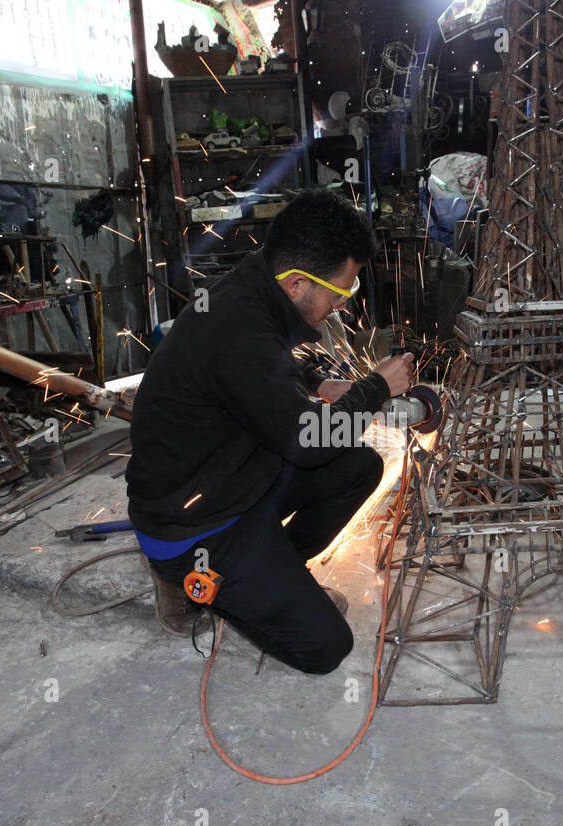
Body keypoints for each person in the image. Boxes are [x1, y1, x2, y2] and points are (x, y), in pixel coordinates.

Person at [125, 189, 416, 674]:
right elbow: (309, 443)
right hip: (195, 523)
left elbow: (259, 369)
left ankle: (275, 570)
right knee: (325, 648)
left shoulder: (254, 286)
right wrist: (375, 388)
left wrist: (316, 381)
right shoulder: (238, 326)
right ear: (299, 283)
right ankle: (194, 585)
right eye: (341, 293)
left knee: (360, 465)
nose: (342, 305)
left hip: (232, 476)